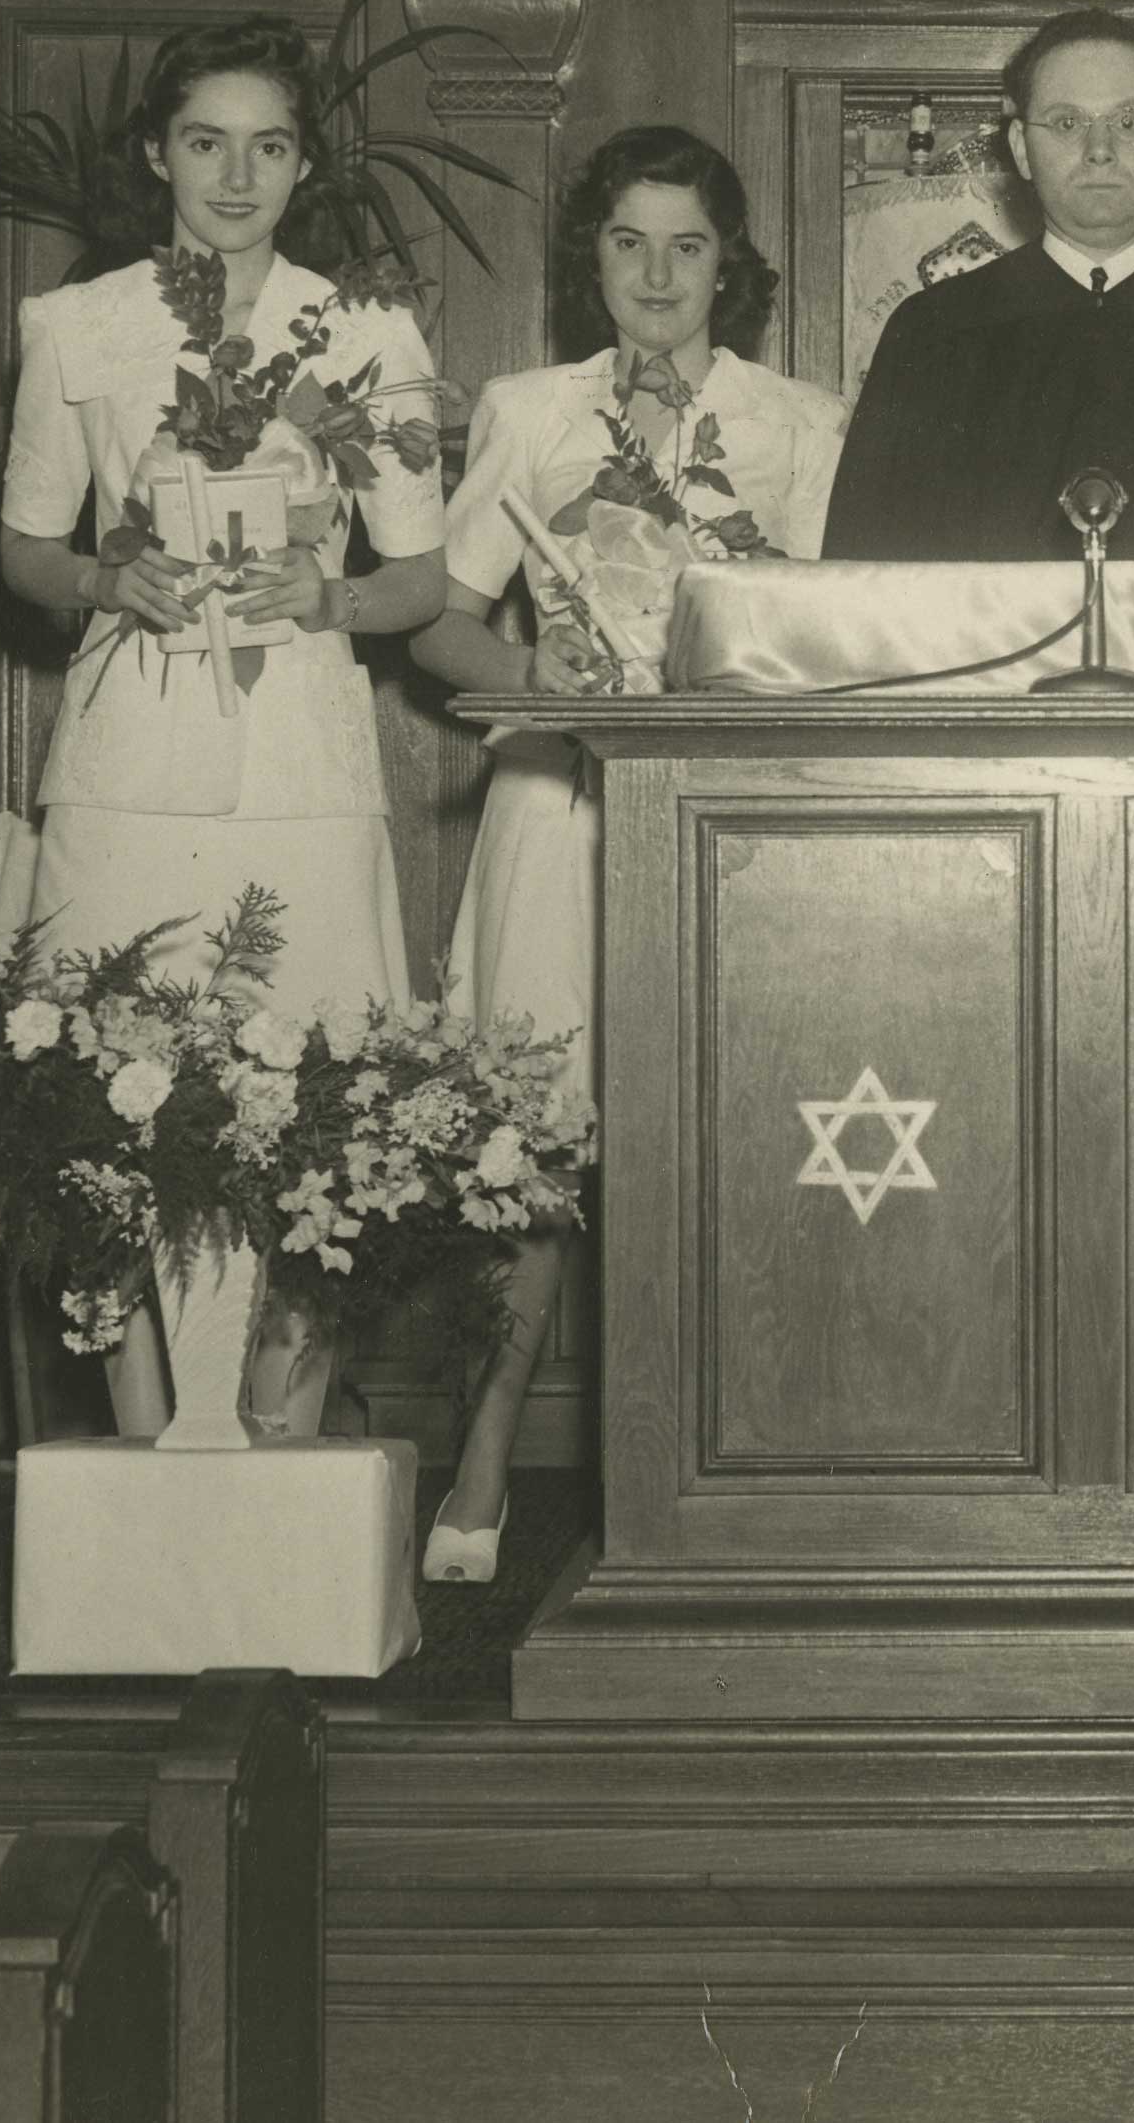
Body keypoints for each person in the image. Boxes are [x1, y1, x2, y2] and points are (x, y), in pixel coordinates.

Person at [0, 18, 450, 1439]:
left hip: (304, 761)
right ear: (158, 153)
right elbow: (25, 548)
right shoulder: (78, 324)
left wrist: (333, 593)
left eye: (269, 146)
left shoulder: (367, 331)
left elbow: (421, 579)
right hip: (125, 764)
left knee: (321, 1091)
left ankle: (282, 1445)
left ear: (305, 164)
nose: (237, 175)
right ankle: (143, 1445)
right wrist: (101, 578)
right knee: (99, 1093)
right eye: (207, 142)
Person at [406, 125, 847, 1580]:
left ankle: (743, 1467)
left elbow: (838, 628)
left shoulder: (802, 419)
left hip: (732, 815)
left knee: (737, 1129)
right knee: (534, 1141)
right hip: (560, 802)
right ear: (588, 259)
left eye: (688, 245)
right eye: (627, 242)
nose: (657, 276)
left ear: (732, 264)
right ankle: (482, 1463)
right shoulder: (528, 407)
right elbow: (443, 621)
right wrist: (535, 676)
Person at [825, 8, 1134, 563]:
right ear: (1021, 147)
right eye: (1067, 123)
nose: (1100, 149)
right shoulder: (932, 333)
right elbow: (862, 577)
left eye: (1130, 122)